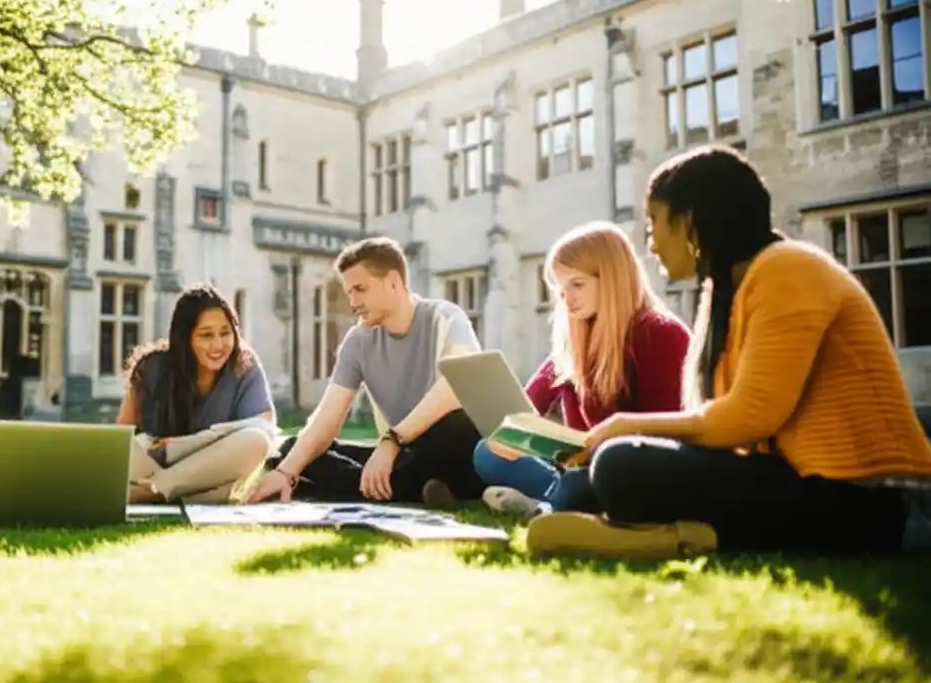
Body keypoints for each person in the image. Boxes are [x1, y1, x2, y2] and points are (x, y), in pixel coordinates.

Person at [526, 145, 931, 557]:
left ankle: (671, 536)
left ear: (690, 222)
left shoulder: (787, 268)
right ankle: (673, 535)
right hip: (789, 479)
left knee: (618, 464)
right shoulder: (725, 293)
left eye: (653, 224)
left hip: (859, 497)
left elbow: (750, 417)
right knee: (590, 479)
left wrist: (623, 426)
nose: (650, 245)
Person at [246, 236, 486, 505]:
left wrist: (391, 441)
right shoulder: (358, 341)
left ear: (394, 282)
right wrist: (286, 471)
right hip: (407, 455)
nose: (353, 302)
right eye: (349, 292)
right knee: (293, 450)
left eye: (360, 289)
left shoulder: (446, 317)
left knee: (451, 428)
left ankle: (370, 486)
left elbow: (456, 386)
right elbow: (327, 418)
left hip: (455, 447)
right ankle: (412, 488)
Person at [474, 222, 690, 516]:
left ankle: (547, 506)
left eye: (577, 284)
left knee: (582, 483)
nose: (567, 299)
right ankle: (554, 503)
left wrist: (598, 446)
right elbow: (528, 403)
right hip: (579, 467)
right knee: (487, 453)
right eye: (561, 289)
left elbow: (667, 433)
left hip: (630, 468)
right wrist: (514, 437)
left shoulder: (662, 335)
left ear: (613, 279)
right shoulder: (574, 341)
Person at [117, 284, 276, 504]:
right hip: (160, 467)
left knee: (256, 441)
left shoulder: (244, 365)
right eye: (206, 335)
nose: (218, 345)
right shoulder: (152, 367)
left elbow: (264, 425)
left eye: (225, 333)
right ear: (186, 338)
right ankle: (187, 495)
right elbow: (121, 436)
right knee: (125, 453)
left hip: (212, 466)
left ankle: (154, 492)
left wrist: (177, 448)